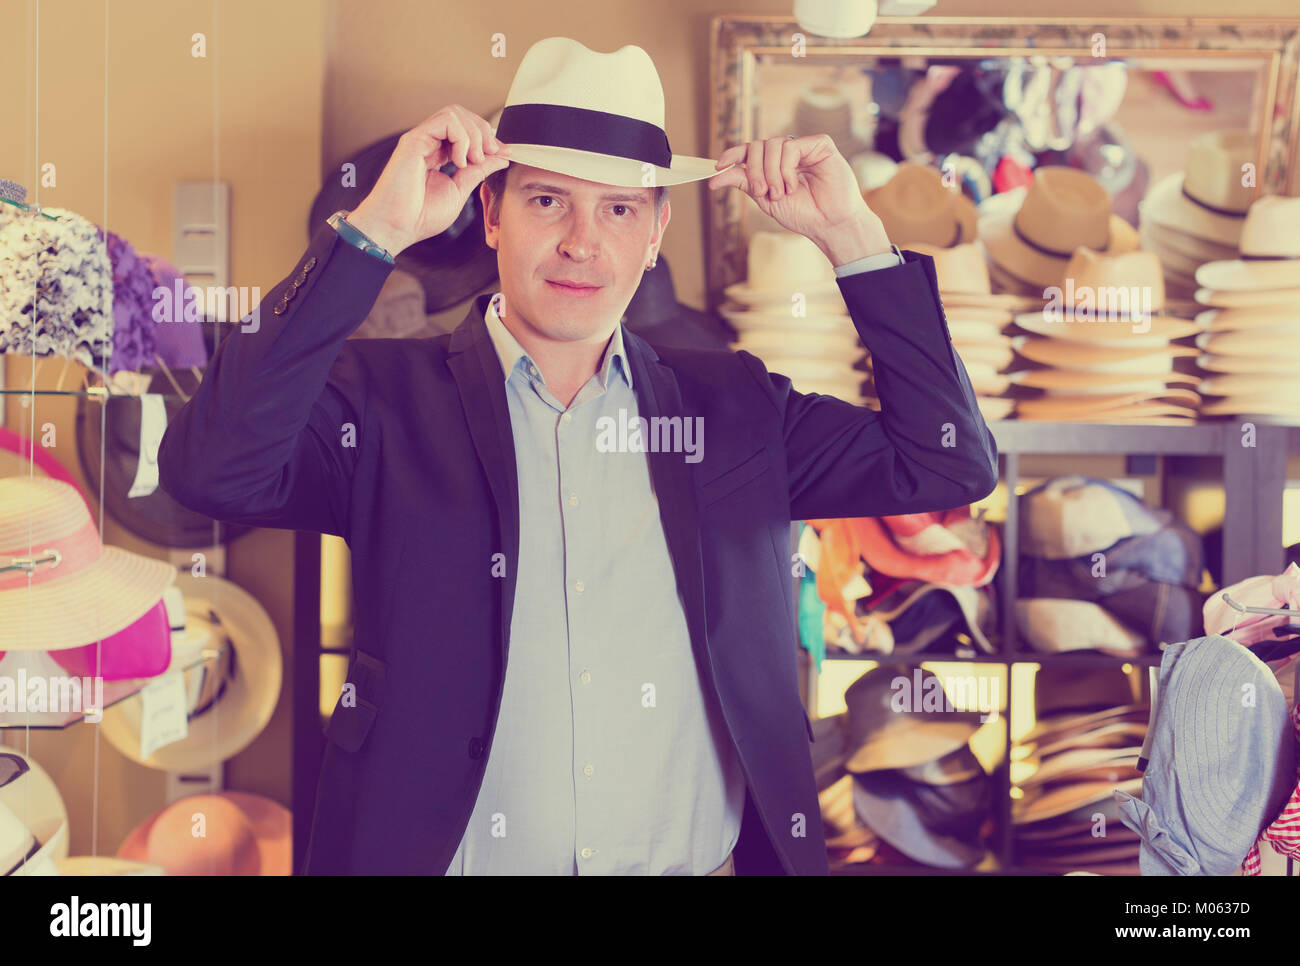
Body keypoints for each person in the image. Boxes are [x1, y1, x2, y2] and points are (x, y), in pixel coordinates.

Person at [157, 37, 998, 875]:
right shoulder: (378, 401)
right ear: (490, 214)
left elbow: (948, 464)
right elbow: (209, 471)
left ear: (658, 230)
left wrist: (853, 236)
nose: (582, 243)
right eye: (549, 201)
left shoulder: (738, 407)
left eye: (620, 210)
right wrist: (375, 230)